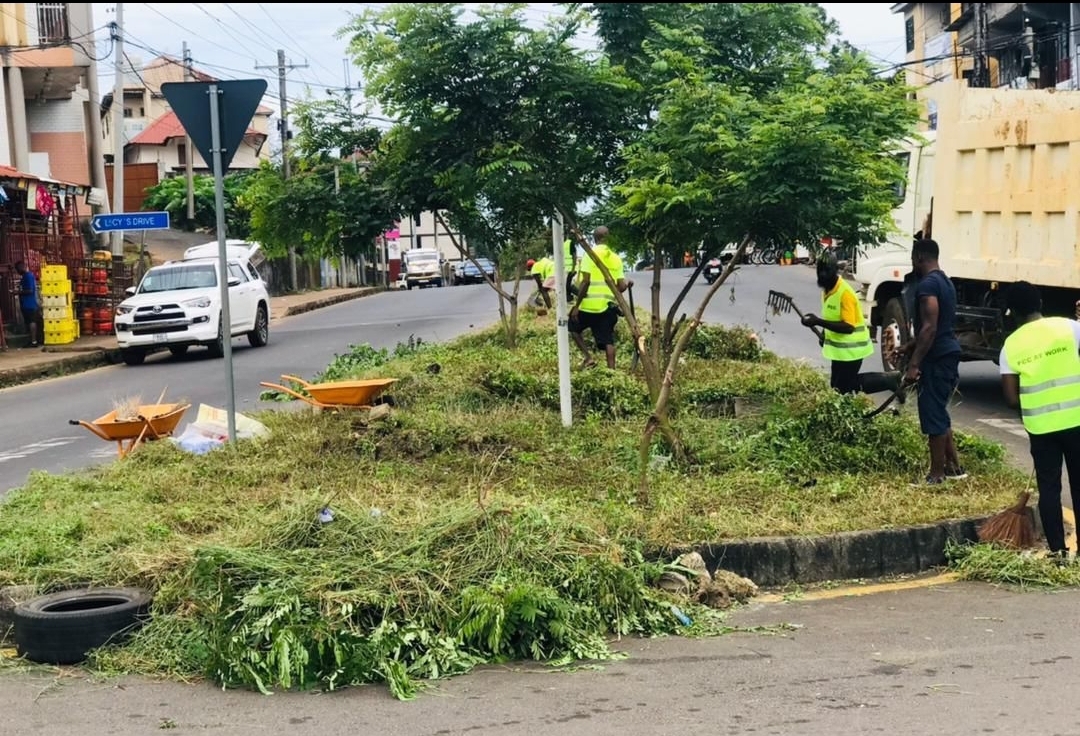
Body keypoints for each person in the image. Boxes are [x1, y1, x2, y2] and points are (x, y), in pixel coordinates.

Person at [999, 281, 1080, 561]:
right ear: (1041, 303)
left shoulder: (1010, 346)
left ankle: (1058, 552)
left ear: (1013, 312)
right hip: (1076, 420)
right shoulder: (1069, 328)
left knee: (1049, 489)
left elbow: (1011, 398)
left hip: (1041, 427)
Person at [899, 238, 966, 485]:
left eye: (912, 259)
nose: (912, 264)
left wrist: (914, 365)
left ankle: (936, 475)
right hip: (947, 352)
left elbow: (930, 328)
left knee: (932, 415)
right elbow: (936, 326)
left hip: (937, 358)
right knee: (939, 411)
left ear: (919, 257)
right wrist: (910, 345)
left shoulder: (927, 285)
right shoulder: (945, 281)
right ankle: (954, 467)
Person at [800, 251, 874, 394]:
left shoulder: (845, 293)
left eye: (827, 270)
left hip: (853, 349)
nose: (822, 274)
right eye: (820, 270)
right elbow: (832, 318)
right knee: (836, 386)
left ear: (835, 270)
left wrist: (818, 322)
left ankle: (889, 380)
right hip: (840, 350)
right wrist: (824, 334)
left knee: (844, 387)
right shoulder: (827, 291)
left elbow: (848, 327)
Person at [569, 226, 629, 369]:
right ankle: (612, 372)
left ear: (594, 238)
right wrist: (626, 285)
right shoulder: (615, 258)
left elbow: (585, 282)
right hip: (607, 306)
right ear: (609, 238)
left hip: (588, 307)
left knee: (572, 327)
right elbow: (621, 287)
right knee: (608, 340)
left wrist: (577, 306)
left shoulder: (590, 255)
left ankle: (588, 358)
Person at [13, 260, 41, 347]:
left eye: (17, 269)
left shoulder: (28, 276)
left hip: (30, 304)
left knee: (32, 322)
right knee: (29, 322)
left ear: (21, 267)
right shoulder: (25, 276)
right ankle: (31, 340)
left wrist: (18, 292)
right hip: (26, 304)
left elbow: (30, 290)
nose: (17, 271)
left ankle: (34, 341)